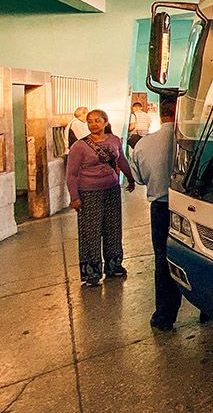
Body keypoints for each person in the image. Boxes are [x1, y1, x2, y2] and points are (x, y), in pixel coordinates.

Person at [129, 95, 182, 330]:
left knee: (163, 259)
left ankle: (164, 316)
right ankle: (207, 310)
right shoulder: (196, 141)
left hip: (161, 208)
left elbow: (139, 179)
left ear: (161, 114)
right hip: (194, 208)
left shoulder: (143, 144)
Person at [66, 109, 136, 285]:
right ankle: (92, 272)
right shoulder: (79, 146)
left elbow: (121, 161)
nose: (93, 124)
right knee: (90, 231)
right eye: (90, 121)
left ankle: (114, 266)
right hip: (88, 193)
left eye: (97, 120)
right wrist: (74, 197)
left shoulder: (114, 140)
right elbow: (71, 174)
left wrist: (130, 178)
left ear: (105, 122)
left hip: (111, 189)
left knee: (113, 228)